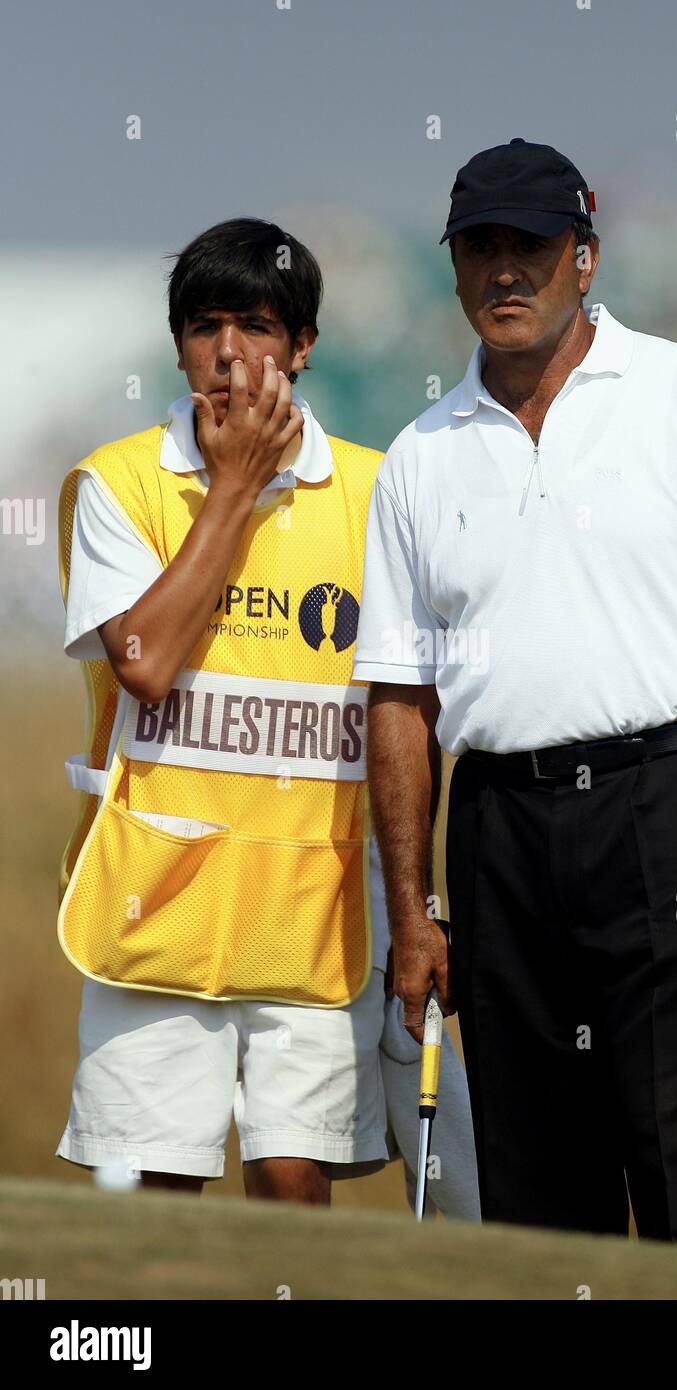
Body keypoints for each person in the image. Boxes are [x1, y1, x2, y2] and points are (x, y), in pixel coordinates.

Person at [352, 139, 677, 1246]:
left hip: (670, 804)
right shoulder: (418, 457)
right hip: (500, 832)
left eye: (533, 246)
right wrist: (413, 911)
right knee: (531, 1180)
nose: (505, 271)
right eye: (481, 248)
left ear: (586, 256)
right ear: (455, 266)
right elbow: (399, 705)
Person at [55, 215, 479, 1215]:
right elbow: (147, 662)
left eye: (257, 324)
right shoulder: (119, 483)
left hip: (316, 921)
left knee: (292, 1197)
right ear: (177, 343)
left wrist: (414, 911)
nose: (231, 354)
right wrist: (234, 489)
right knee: (149, 1202)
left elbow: (413, 717)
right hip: (149, 914)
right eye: (206, 326)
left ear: (302, 345)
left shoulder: (376, 493)